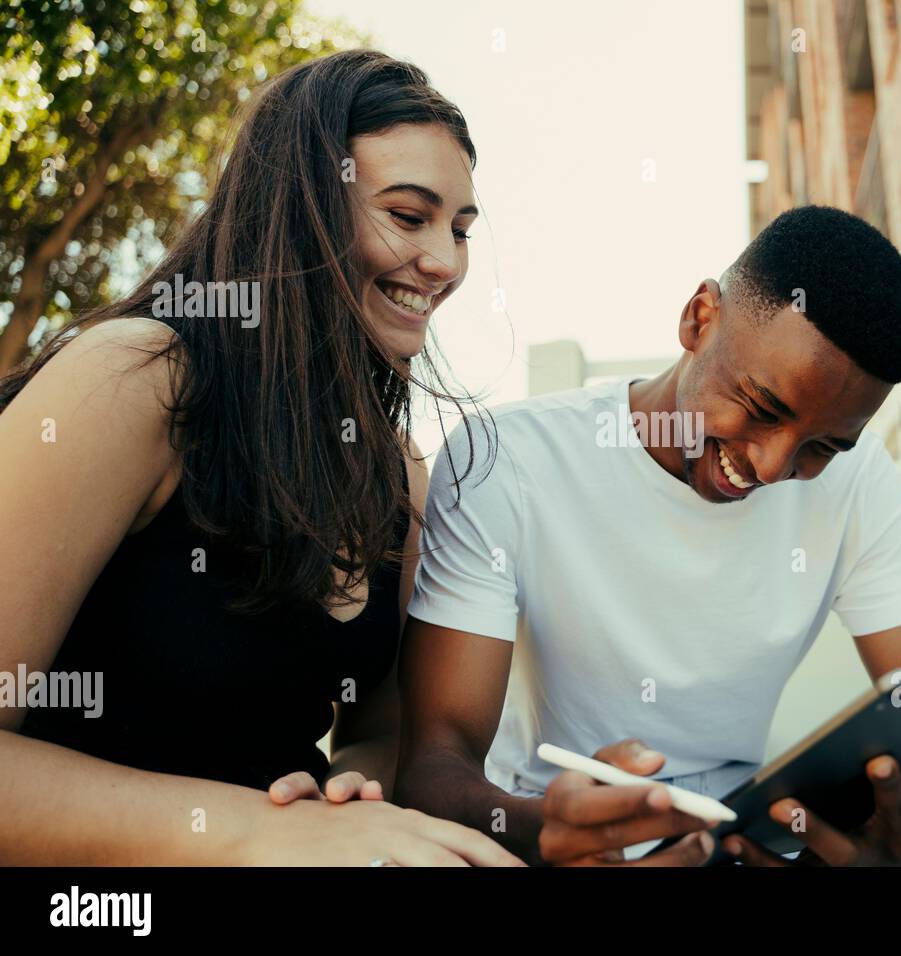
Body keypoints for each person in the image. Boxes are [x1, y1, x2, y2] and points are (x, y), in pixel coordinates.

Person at [0, 50, 520, 867]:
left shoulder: (396, 474)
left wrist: (350, 790)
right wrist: (253, 828)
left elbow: (376, 733)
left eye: (459, 230)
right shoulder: (140, 381)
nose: (447, 263)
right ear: (302, 207)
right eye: (409, 216)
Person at [395, 204, 901, 866]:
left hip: (746, 837)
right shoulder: (507, 458)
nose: (773, 467)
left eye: (823, 446)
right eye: (762, 407)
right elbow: (431, 770)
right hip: (543, 819)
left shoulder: (861, 483)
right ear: (699, 318)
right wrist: (553, 835)